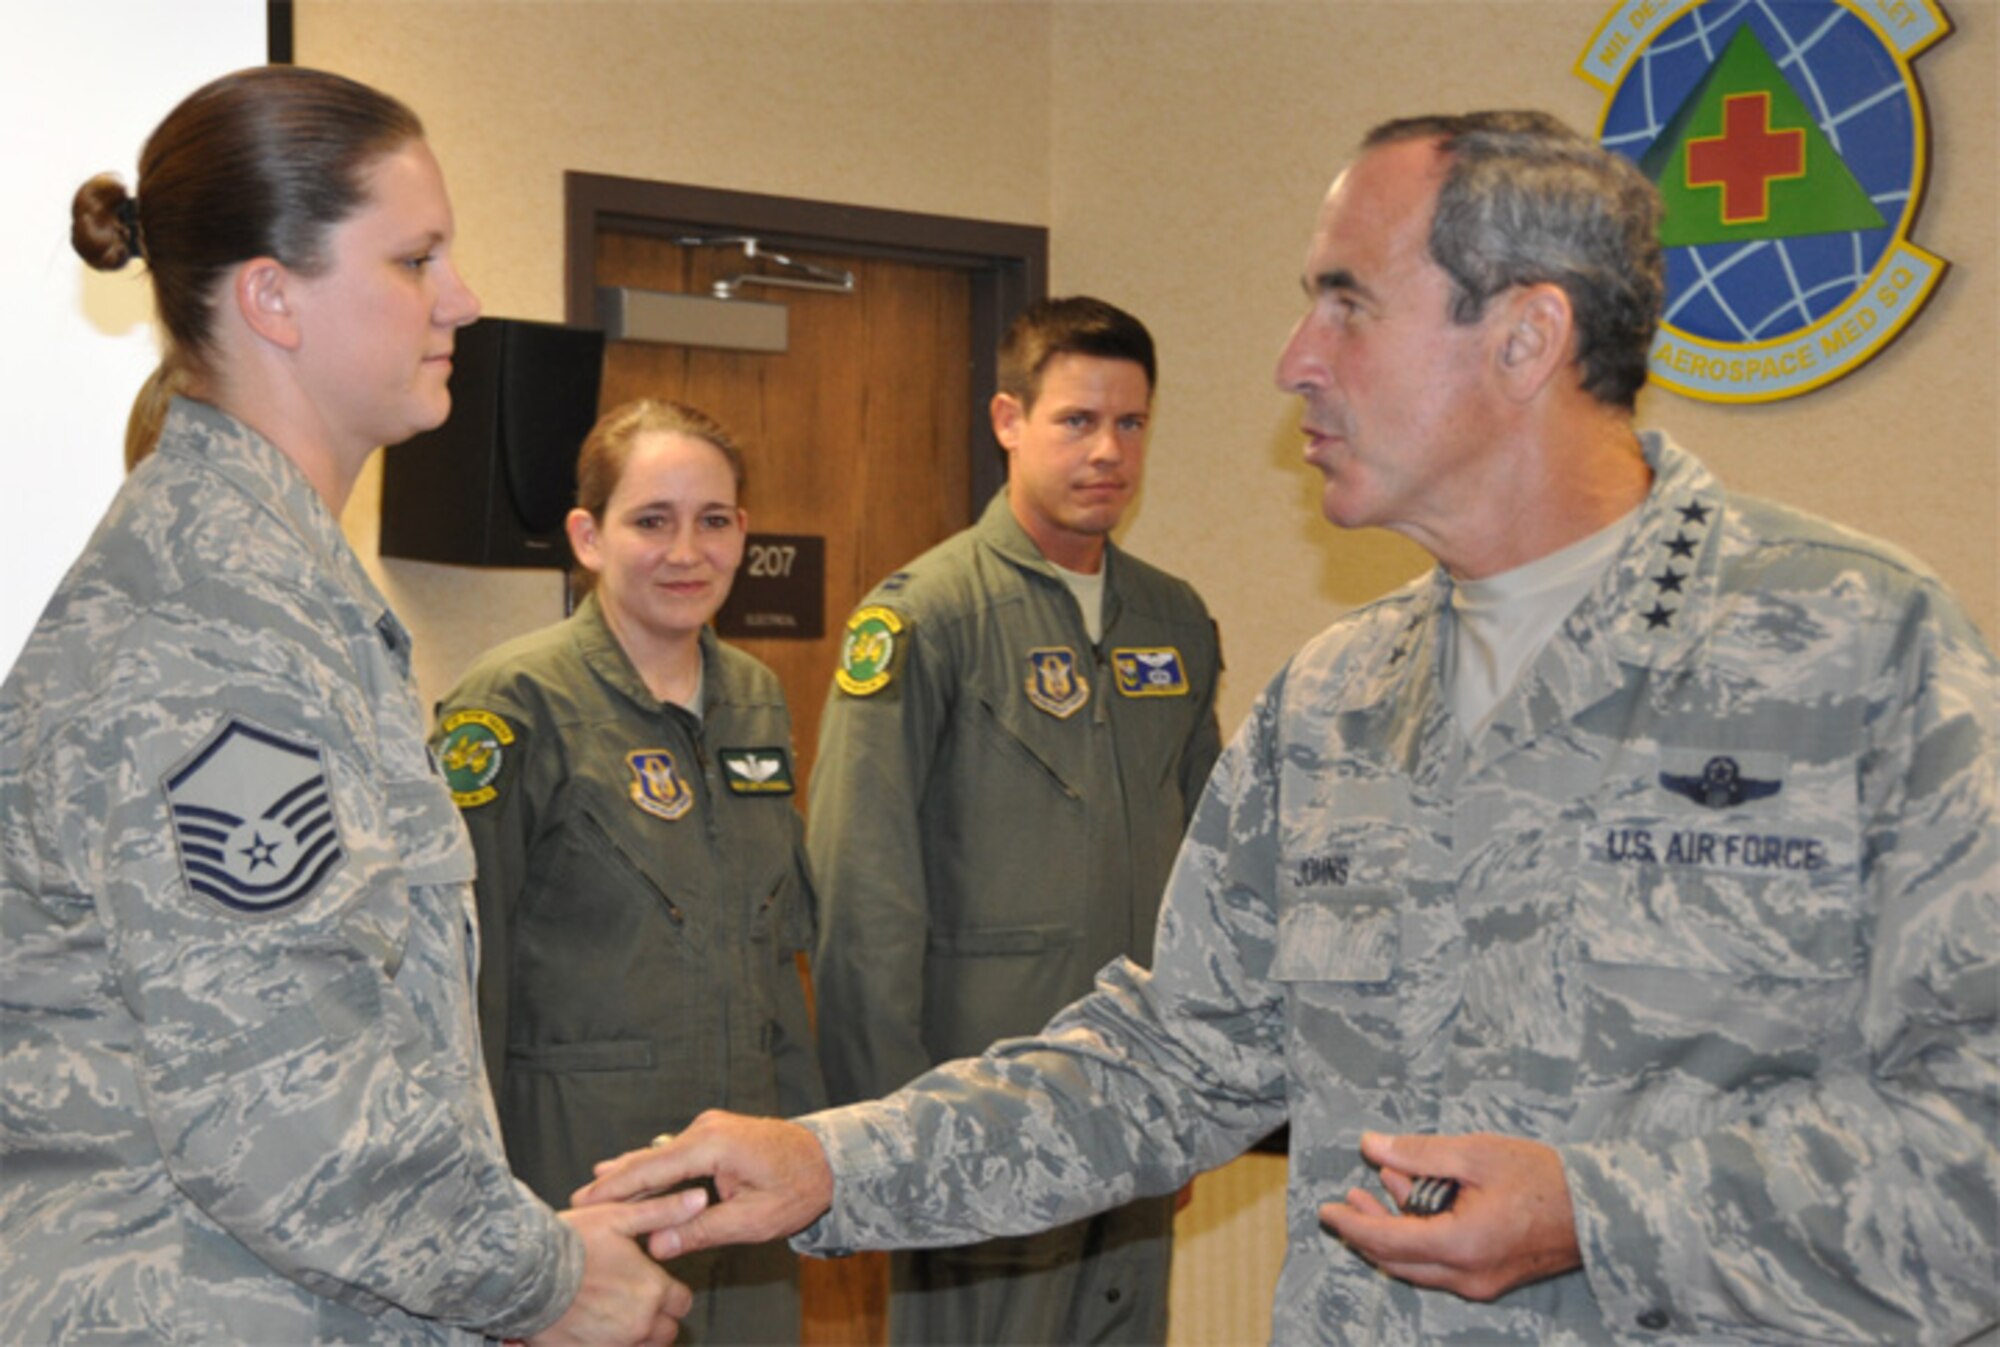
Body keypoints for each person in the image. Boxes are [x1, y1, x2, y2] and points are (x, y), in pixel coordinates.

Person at [578, 111, 1998, 1343]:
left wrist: (1599, 1211)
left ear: (1526, 334)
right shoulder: (1336, 700)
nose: (1291, 360)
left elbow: (1975, 1151)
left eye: (1347, 303)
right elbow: (1173, 1058)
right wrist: (835, 1161)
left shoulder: (1856, 647)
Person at [0, 67, 687, 1345]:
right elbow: (282, 1107)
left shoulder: (278, 588)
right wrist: (544, 1279)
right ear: (272, 296)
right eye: (415, 259)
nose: (462, 302)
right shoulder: (212, 630)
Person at [807, 295, 1223, 1343]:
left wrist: (1201, 1095)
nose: (1106, 452)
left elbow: (1214, 880)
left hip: (1135, 1101)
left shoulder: (1172, 619)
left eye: (1129, 425)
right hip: (978, 1105)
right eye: (1075, 421)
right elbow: (861, 897)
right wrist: (877, 1135)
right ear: (1007, 420)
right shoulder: (923, 615)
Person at [433, 398, 824, 1344]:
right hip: (580, 1175)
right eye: (652, 520)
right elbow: (456, 976)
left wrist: (814, 1142)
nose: (687, 550)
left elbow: (779, 953)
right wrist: (487, 1220)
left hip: (743, 1183)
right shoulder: (514, 701)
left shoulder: (754, 698)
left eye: (715, 520)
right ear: (588, 536)